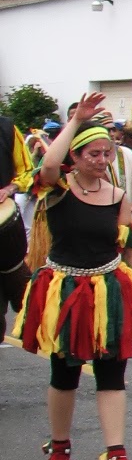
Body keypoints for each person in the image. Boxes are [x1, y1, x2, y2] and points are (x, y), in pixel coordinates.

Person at [15, 92, 132, 460]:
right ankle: (59, 447)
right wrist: (76, 119)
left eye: (106, 154)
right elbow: (46, 166)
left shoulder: (118, 197)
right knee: (65, 373)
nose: (101, 160)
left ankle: (117, 456)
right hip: (64, 288)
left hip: (109, 290)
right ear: (74, 158)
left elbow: (127, 252)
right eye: (92, 154)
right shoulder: (57, 189)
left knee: (113, 374)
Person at [0, 110, 34, 342]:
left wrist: (10, 189)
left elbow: (27, 172)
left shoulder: (6, 129)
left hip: (4, 229)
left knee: (19, 287)